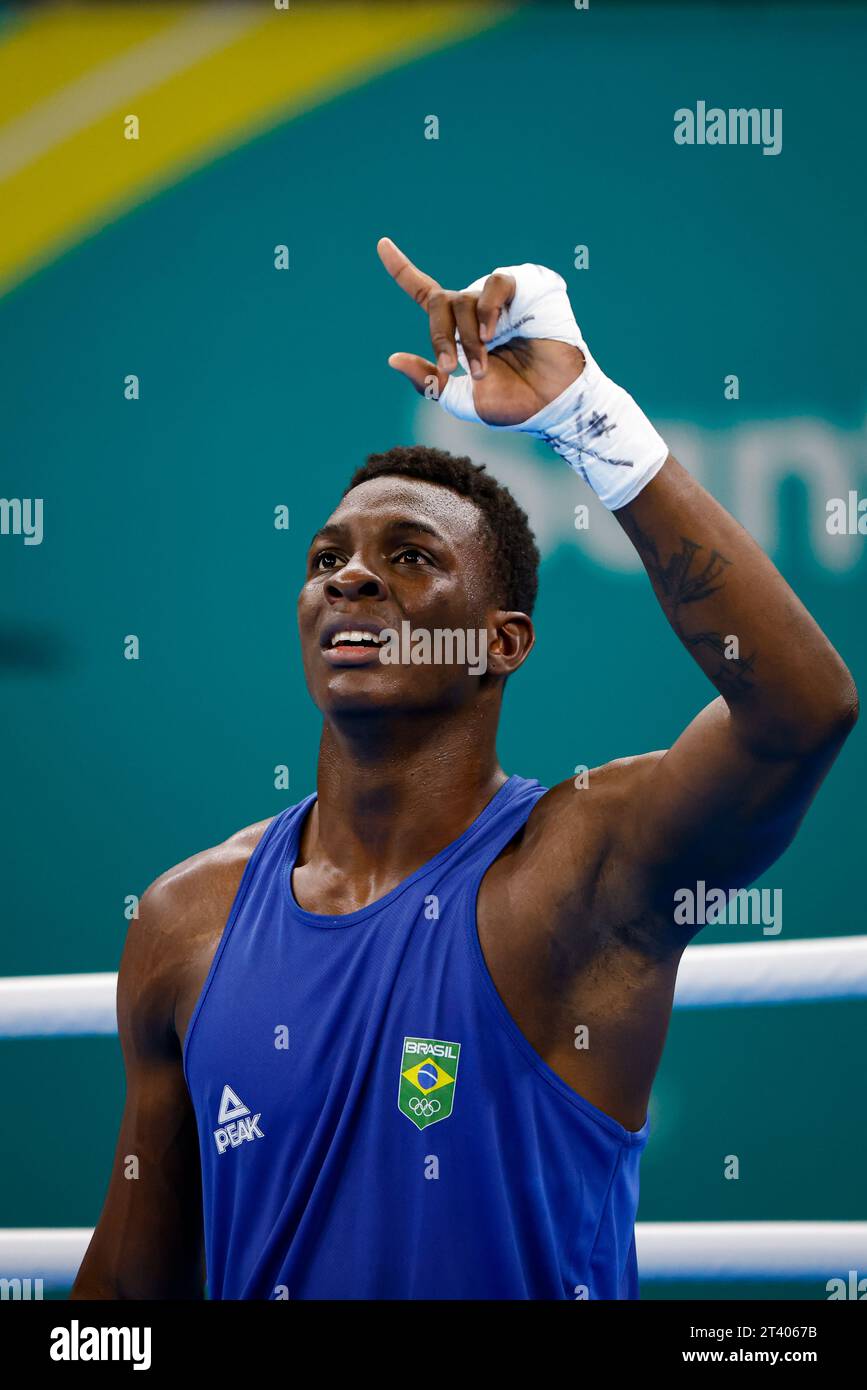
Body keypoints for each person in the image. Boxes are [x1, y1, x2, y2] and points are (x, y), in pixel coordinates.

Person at [72, 242, 857, 1300]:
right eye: (327, 558)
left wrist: (588, 413)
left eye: (410, 557)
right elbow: (126, 1302)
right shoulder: (186, 919)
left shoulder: (586, 872)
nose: (351, 575)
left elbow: (801, 712)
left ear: (503, 641)